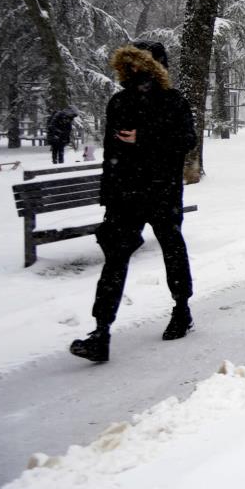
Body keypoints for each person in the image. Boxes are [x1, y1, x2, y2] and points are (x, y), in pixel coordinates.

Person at [70, 42, 197, 363]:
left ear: (157, 68)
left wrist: (145, 137)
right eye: (132, 66)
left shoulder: (173, 102)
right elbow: (111, 155)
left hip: (162, 191)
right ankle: (101, 332)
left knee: (172, 247)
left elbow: (185, 141)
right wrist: (108, 197)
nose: (136, 72)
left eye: (143, 65)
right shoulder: (119, 102)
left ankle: (182, 309)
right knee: (115, 258)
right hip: (126, 195)